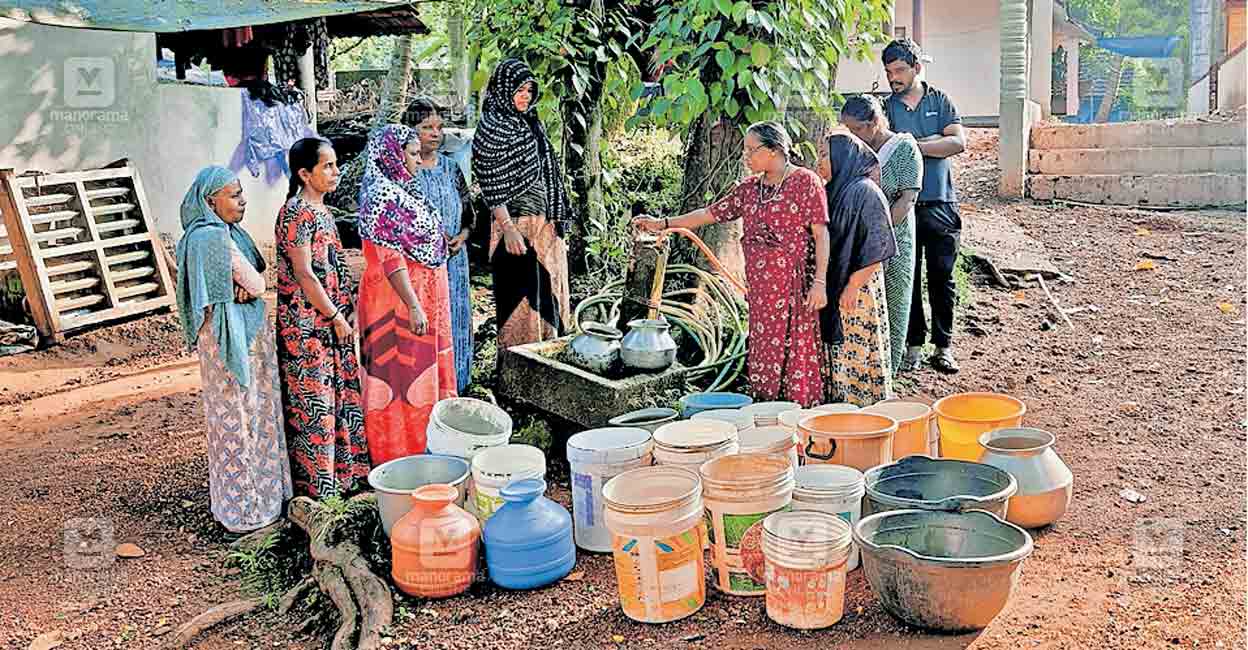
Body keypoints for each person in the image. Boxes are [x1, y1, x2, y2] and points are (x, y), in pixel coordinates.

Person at [636, 122, 830, 407]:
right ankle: (765, 408)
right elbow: (709, 214)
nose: (746, 156)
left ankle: (798, 413)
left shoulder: (805, 182)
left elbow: (821, 234)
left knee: (795, 349)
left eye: (752, 150)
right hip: (761, 290)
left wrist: (820, 283)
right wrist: (662, 224)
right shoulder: (750, 188)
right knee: (763, 348)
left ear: (775, 150)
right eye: (745, 150)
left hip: (794, 287)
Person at [176, 166, 292, 537]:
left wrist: (245, 287)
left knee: (229, 418)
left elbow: (250, 275)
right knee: (246, 416)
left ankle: (234, 505)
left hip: (222, 342)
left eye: (241, 193)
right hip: (236, 342)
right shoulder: (213, 239)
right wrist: (249, 288)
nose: (242, 201)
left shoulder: (202, 236)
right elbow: (258, 282)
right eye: (233, 195)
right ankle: (253, 509)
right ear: (210, 201)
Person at [275, 137, 371, 499]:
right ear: (304, 173)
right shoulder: (296, 212)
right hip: (308, 324)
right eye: (326, 166)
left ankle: (344, 476)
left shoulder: (324, 212)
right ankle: (320, 489)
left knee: (339, 394)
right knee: (315, 401)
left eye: (335, 164)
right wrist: (334, 315)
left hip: (332, 319)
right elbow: (304, 274)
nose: (335, 172)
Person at [356, 124, 457, 465]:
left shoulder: (406, 190)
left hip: (421, 298)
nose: (416, 161)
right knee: (398, 378)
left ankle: (429, 447)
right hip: (395, 303)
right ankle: (397, 454)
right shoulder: (382, 197)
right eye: (411, 154)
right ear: (392, 156)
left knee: (422, 374)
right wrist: (414, 305)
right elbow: (390, 258)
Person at [471, 58, 572, 356]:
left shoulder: (531, 123)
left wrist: (556, 220)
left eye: (529, 90)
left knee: (549, 296)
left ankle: (550, 365)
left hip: (544, 226)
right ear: (503, 90)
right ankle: (518, 374)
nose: (525, 96)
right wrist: (510, 230)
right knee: (520, 305)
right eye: (519, 89)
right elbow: (491, 184)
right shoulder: (491, 128)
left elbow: (547, 172)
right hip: (514, 228)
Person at [881, 38, 967, 374]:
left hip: (942, 202)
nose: (894, 78)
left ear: (917, 68)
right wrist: (932, 143)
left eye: (900, 70)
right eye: (889, 72)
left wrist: (912, 145)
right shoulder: (887, 108)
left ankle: (944, 347)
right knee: (908, 277)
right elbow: (885, 149)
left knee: (942, 277)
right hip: (903, 204)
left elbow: (958, 142)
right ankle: (912, 345)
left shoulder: (940, 100)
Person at [840, 94, 922, 376]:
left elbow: (907, 199)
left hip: (895, 235)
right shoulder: (855, 151)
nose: (854, 136)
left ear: (875, 122)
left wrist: (881, 238)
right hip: (859, 238)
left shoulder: (904, 149)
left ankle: (890, 368)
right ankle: (864, 367)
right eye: (849, 130)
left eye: (858, 129)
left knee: (895, 297)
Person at [817, 132, 897, 407]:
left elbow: (879, 244)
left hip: (857, 290)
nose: (820, 162)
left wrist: (853, 286)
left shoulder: (865, 192)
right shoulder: (834, 191)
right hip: (839, 284)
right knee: (842, 350)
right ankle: (842, 407)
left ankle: (866, 409)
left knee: (860, 350)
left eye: (825, 155)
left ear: (844, 157)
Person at [403, 99, 476, 392]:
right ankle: (427, 392)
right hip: (421, 265)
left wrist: (463, 235)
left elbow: (470, 212)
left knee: (456, 321)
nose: (435, 133)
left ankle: (458, 387)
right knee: (427, 325)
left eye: (439, 127)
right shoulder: (405, 172)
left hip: (455, 263)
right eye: (426, 127)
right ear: (411, 131)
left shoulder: (451, 168)